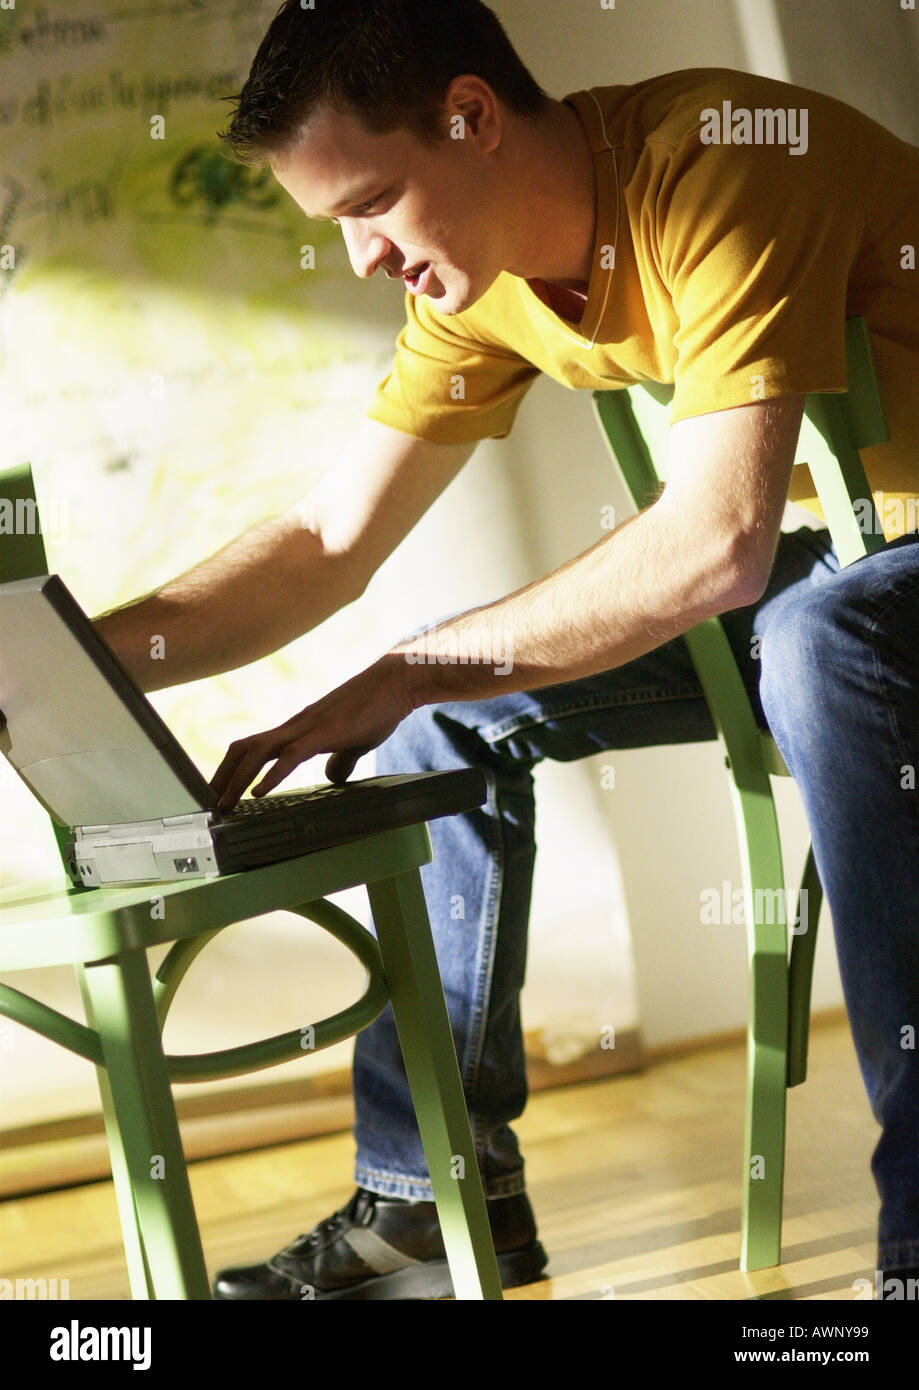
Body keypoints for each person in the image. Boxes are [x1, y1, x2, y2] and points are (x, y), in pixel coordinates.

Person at [93, 0, 919, 1299]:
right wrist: (78, 665)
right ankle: (429, 1201)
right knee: (439, 715)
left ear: (471, 118)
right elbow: (326, 535)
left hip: (874, 580)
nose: (362, 257)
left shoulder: (725, 164)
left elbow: (718, 548)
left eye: (372, 202)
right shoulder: (483, 291)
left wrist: (420, 660)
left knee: (807, 635)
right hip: (836, 579)